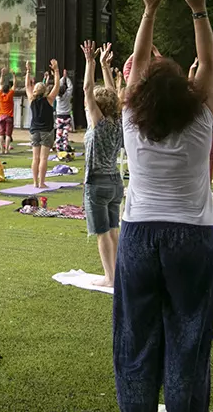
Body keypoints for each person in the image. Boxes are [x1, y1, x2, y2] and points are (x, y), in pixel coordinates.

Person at [114, 0, 213, 412]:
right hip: (192, 237)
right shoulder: (200, 122)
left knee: (135, 339)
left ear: (140, 96)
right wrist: (198, 9)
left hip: (139, 236)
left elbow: (137, 62)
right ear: (186, 91)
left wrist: (149, 10)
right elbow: (209, 64)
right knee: (188, 338)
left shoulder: (132, 123)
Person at [79, 40, 123, 287]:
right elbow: (113, 96)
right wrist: (106, 67)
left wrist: (90, 62)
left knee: (102, 233)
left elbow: (87, 89)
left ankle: (109, 277)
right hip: (115, 182)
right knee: (113, 229)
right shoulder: (116, 122)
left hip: (97, 183)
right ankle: (117, 274)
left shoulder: (100, 124)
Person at [25, 58, 60, 188]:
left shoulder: (31, 99)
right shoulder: (49, 99)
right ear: (44, 91)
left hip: (34, 130)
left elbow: (27, 86)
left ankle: (35, 182)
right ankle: (41, 182)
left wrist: (28, 71)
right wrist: (56, 70)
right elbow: (57, 86)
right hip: (46, 131)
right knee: (44, 158)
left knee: (35, 158)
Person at [0, 68, 16, 154]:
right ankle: (7, 149)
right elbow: (15, 85)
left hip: (1, 116)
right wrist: (14, 75)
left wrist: (2, 74)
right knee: (8, 134)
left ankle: (1, 149)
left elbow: (0, 83)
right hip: (9, 116)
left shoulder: (0, 95)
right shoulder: (10, 95)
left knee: (1, 134)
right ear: (9, 90)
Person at [54, 68, 73, 152]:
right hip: (66, 116)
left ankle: (58, 146)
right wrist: (66, 78)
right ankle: (65, 146)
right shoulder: (68, 95)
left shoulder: (57, 97)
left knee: (59, 131)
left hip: (59, 116)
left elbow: (58, 86)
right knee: (65, 133)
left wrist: (62, 78)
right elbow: (70, 87)